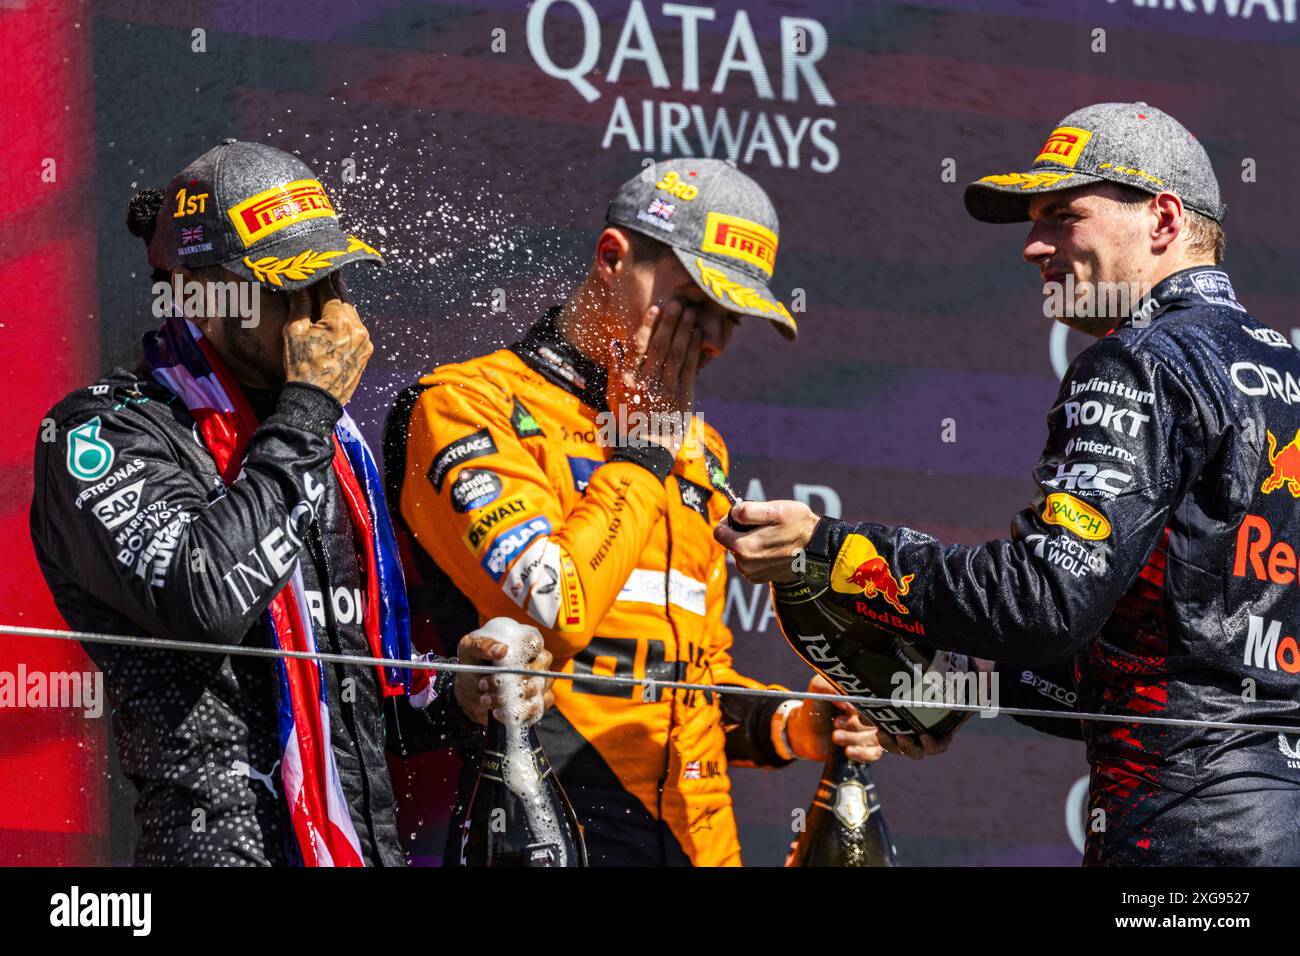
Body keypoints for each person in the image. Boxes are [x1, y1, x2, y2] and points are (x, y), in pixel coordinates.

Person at [717, 102, 1300, 866]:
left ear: (1162, 219)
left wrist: (834, 549)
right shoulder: (1284, 372)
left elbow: (1046, 599)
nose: (1034, 246)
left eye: (1064, 217)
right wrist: (969, 692)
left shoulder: (1142, 362)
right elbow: (1174, 652)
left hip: (1183, 833)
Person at [29, 139, 551, 866]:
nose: (326, 313)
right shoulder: (105, 429)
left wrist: (455, 696)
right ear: (197, 292)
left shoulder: (330, 450)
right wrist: (306, 413)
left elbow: (357, 710)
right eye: (289, 287)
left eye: (333, 279)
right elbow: (205, 598)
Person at [384, 158, 882, 867]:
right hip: (545, 835)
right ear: (613, 260)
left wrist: (795, 726)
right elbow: (555, 608)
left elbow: (682, 677)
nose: (711, 337)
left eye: (731, 316)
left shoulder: (695, 446)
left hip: (701, 846)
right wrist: (642, 454)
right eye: (695, 301)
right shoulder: (468, 405)